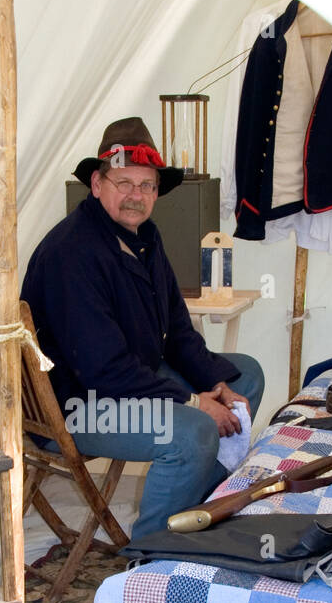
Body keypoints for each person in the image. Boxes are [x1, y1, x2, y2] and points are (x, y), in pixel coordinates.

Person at [21, 118, 265, 539]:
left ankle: (193, 509)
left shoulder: (145, 238)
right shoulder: (72, 253)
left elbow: (177, 330)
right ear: (97, 185)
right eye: (124, 182)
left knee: (245, 375)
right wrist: (191, 400)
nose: (136, 195)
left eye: (146, 185)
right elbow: (104, 369)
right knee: (192, 433)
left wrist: (216, 383)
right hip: (77, 404)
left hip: (128, 381)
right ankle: (150, 553)